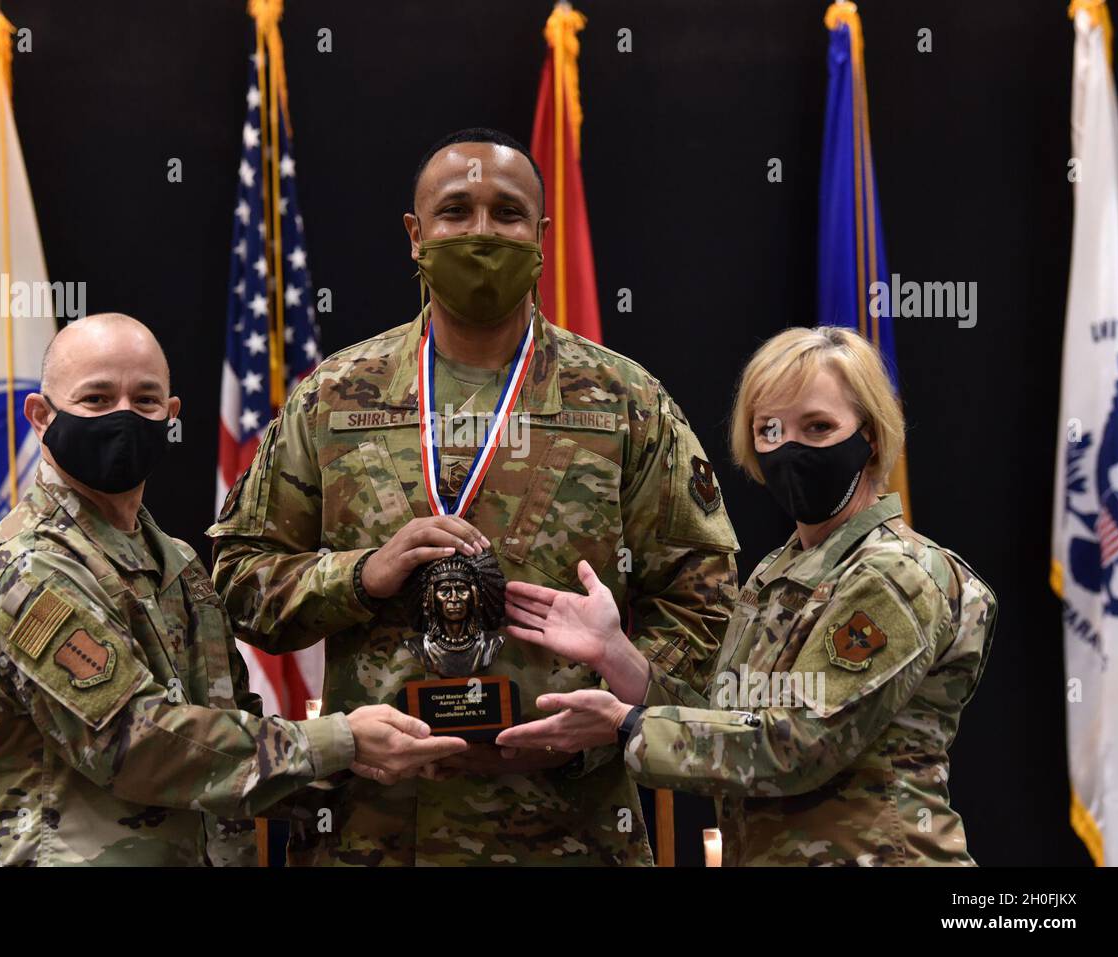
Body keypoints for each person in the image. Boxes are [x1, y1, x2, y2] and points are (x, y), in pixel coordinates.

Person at [208, 127, 739, 866]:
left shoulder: (623, 401)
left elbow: (707, 597)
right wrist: (358, 575)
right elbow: (236, 576)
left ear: (542, 235)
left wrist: (628, 688)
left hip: (569, 824)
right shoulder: (334, 398)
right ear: (415, 234)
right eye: (456, 210)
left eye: (508, 212)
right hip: (374, 828)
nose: (482, 231)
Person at [0, 313, 466, 867]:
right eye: (96, 399)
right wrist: (341, 741)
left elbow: (228, 736)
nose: (122, 415)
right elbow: (135, 744)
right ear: (42, 416)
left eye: (144, 401)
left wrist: (391, 755)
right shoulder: (25, 570)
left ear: (170, 416)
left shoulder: (177, 564)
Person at [496, 326, 998, 866]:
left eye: (819, 427)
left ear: (871, 435)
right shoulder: (779, 572)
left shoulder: (895, 574)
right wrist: (614, 654)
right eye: (770, 430)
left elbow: (796, 746)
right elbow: (732, 723)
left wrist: (625, 725)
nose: (791, 448)